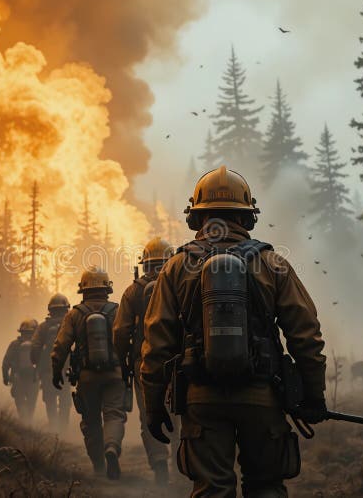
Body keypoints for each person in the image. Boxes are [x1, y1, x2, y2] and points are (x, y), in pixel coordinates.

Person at [140, 165, 327, 497]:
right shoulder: (273, 263)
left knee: (212, 489)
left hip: (201, 397)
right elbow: (305, 334)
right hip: (263, 396)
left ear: (196, 218)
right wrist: (313, 394)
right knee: (266, 487)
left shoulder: (175, 267)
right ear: (248, 218)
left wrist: (154, 406)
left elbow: (156, 344)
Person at [51, 266, 127, 480]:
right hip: (114, 374)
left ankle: (98, 466)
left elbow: (61, 346)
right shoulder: (117, 310)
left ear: (83, 289)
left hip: (86, 377)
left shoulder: (74, 314)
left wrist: (56, 372)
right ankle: (111, 447)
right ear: (107, 288)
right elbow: (126, 339)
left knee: (91, 420)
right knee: (114, 414)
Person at [113, 237, 175, 485]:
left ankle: (160, 464)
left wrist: (124, 361)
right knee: (181, 414)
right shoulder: (180, 282)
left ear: (145, 263)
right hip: (178, 362)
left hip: (144, 363)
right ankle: (183, 467)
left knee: (150, 414)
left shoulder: (133, 290)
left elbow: (120, 332)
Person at [31, 293, 72, 430]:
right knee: (65, 400)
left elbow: (35, 346)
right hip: (66, 370)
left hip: (48, 370)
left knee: (50, 400)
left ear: (50, 309)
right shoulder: (71, 324)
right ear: (66, 308)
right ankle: (63, 427)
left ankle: (54, 428)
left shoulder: (43, 327)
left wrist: (36, 363)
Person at [2, 319, 40, 421]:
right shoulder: (38, 345)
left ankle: (23, 422)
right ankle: (29, 423)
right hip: (34, 379)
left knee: (20, 402)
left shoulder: (14, 344)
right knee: (31, 404)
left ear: (21, 331)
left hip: (18, 378)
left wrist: (5, 377)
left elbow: (5, 363)